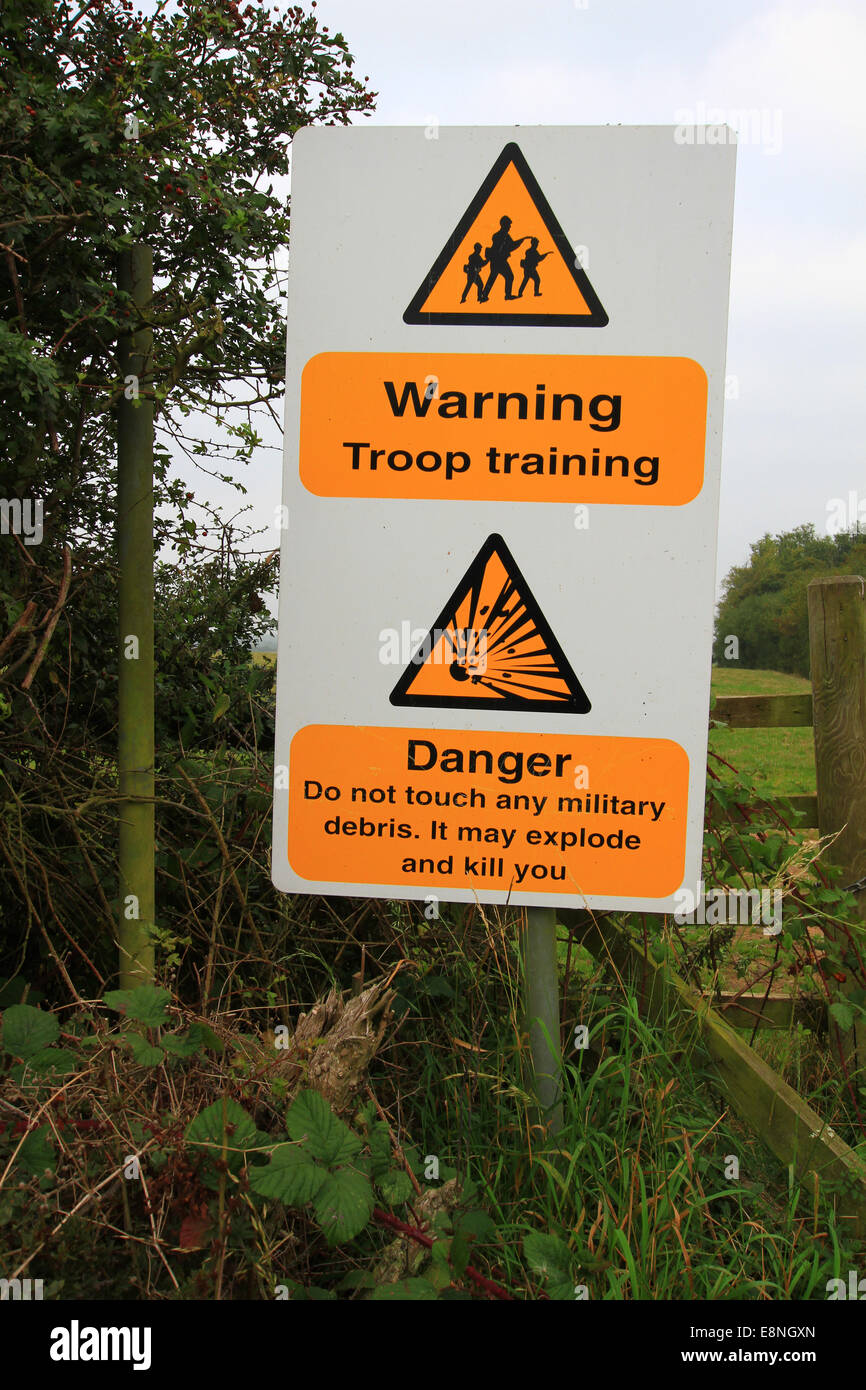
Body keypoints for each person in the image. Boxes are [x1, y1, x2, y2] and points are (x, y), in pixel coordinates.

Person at [479, 216, 527, 302]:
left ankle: (485, 295)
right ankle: (505, 295)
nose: (510, 227)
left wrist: (521, 240)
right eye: (509, 225)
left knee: (494, 277)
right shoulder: (500, 235)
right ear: (504, 225)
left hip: (499, 261)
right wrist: (521, 241)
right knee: (508, 276)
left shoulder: (504, 235)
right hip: (498, 261)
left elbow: (512, 245)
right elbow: (510, 246)